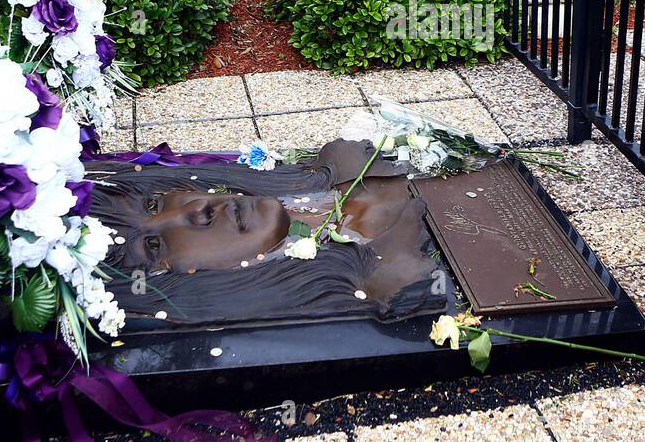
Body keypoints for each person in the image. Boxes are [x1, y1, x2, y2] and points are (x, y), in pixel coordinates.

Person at [86, 140, 445, 329]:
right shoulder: (379, 271)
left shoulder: (341, 173)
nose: (196, 210)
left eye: (153, 204)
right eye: (153, 246)